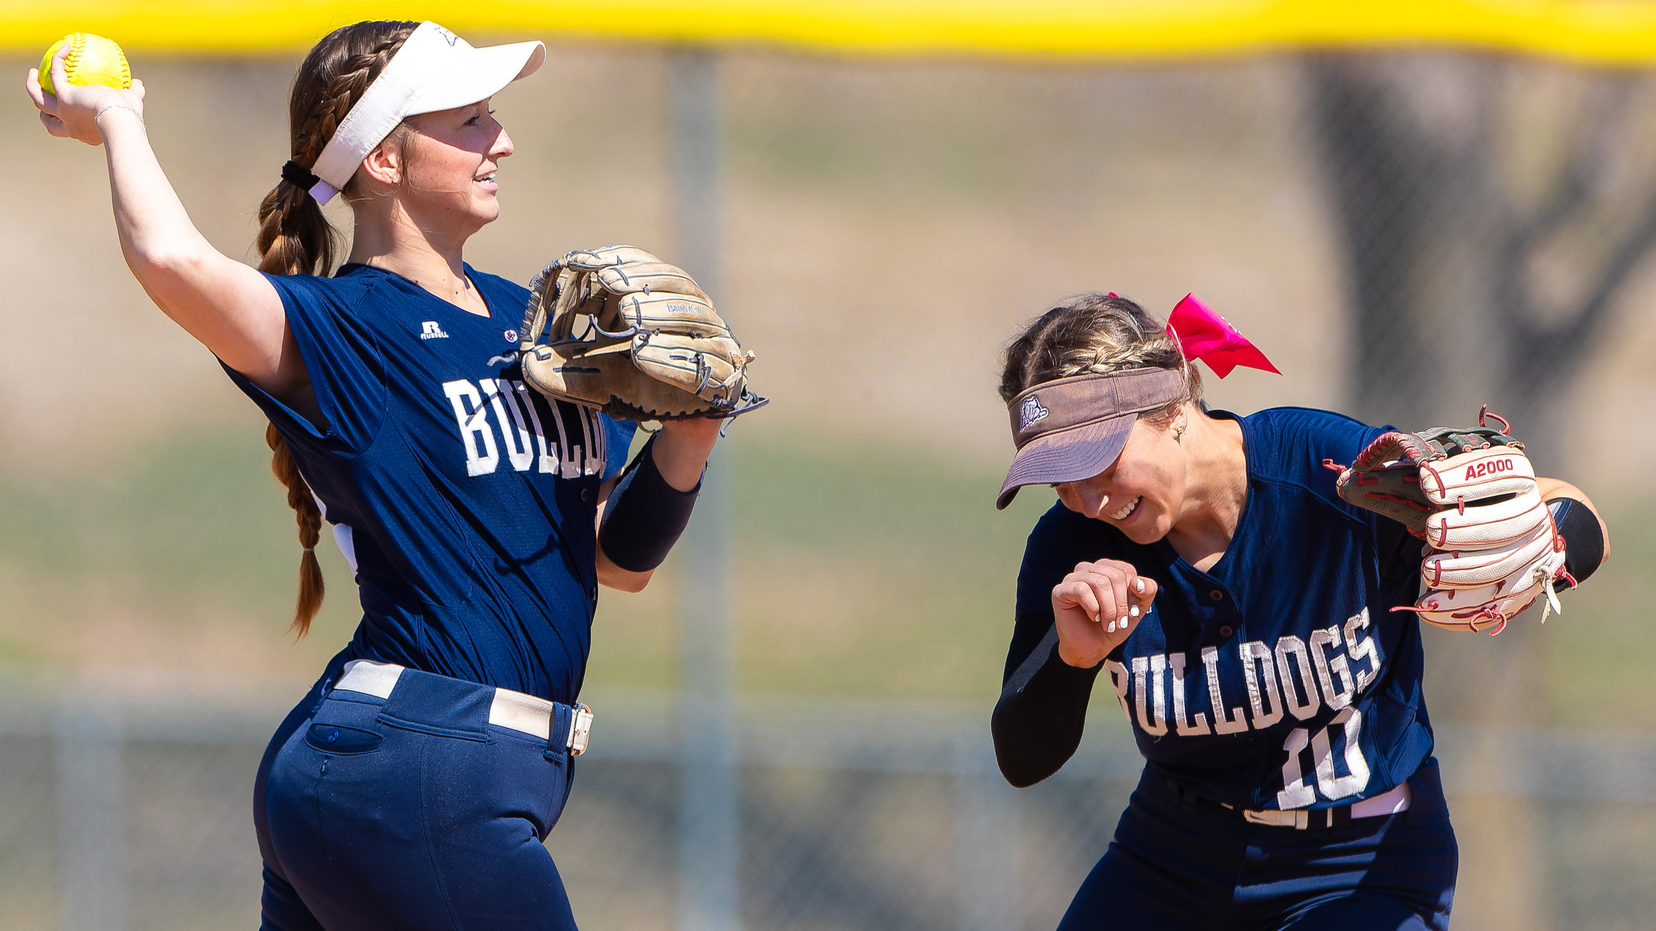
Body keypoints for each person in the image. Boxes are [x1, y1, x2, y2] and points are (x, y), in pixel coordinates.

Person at [27, 20, 726, 930]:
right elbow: (172, 261)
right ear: (385, 162)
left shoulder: (541, 328)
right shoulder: (340, 328)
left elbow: (608, 559)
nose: (501, 139)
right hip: (417, 773)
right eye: (470, 120)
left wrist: (691, 439)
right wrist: (119, 118)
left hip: (415, 776)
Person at [988, 293, 1609, 930]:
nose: (1088, 499)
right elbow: (1023, 758)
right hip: (1173, 857)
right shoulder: (1072, 551)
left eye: (1097, 460)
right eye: (1060, 479)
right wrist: (1074, 659)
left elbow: (1570, 511)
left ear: (1170, 408)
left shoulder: (1325, 473)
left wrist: (1547, 535)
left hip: (1360, 865)